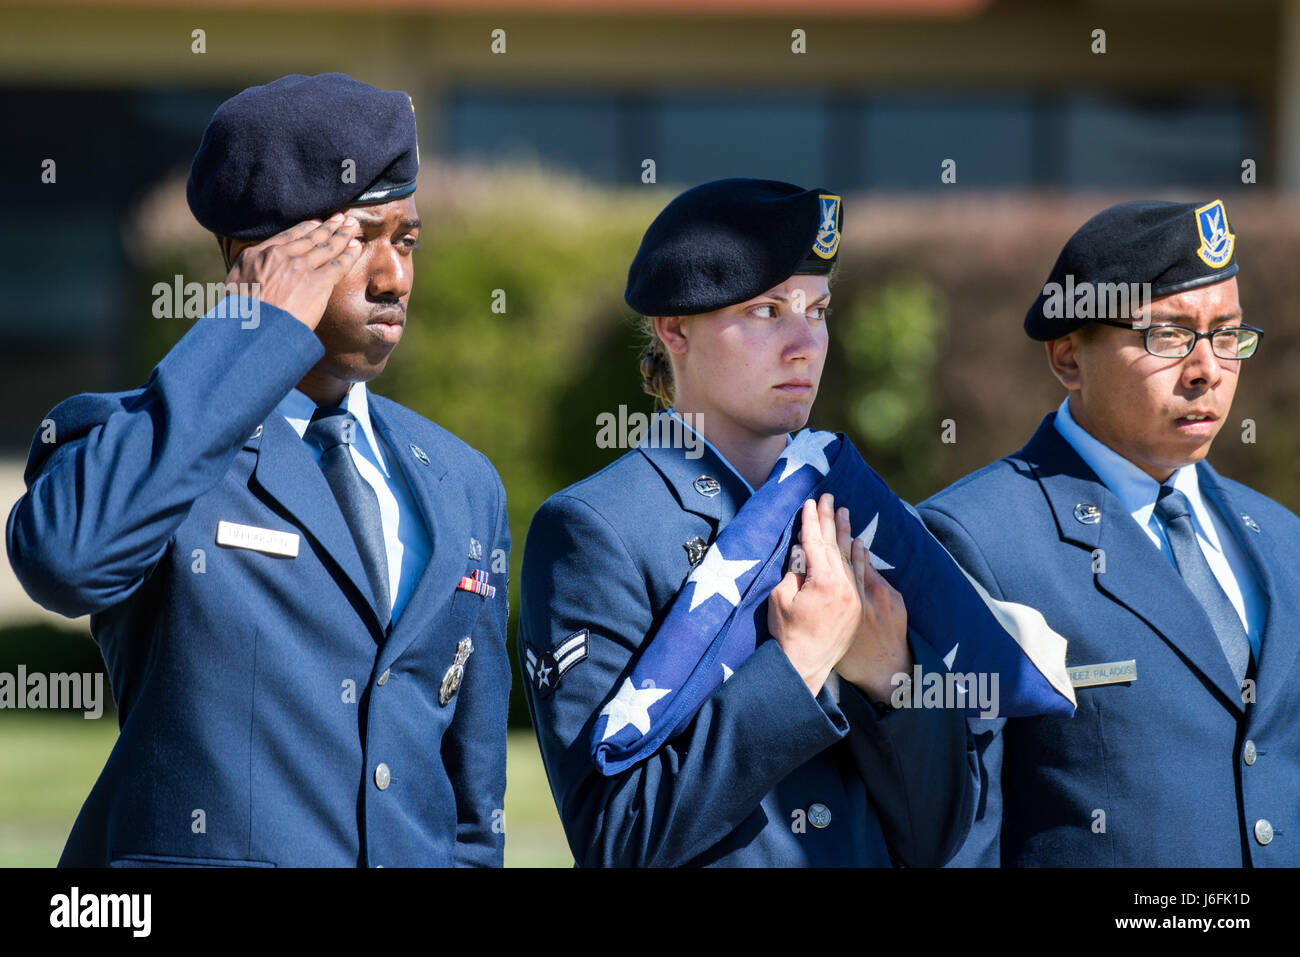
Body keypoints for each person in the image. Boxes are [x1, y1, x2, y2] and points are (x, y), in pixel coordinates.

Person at [5, 73, 510, 867]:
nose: (395, 278)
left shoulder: (462, 479)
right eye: (356, 240)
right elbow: (67, 562)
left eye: (405, 240)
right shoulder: (138, 442)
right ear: (258, 260)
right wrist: (247, 330)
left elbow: (472, 810)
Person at [517, 178, 974, 867]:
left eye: (817, 311)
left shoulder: (868, 514)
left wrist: (891, 680)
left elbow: (941, 836)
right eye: (767, 310)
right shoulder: (596, 529)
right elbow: (618, 838)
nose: (805, 345)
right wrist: (795, 667)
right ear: (674, 328)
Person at [921, 199, 1300, 866]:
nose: (1207, 368)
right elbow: (957, 833)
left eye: (1226, 334)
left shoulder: (1279, 536)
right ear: (1068, 356)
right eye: (1167, 335)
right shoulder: (975, 540)